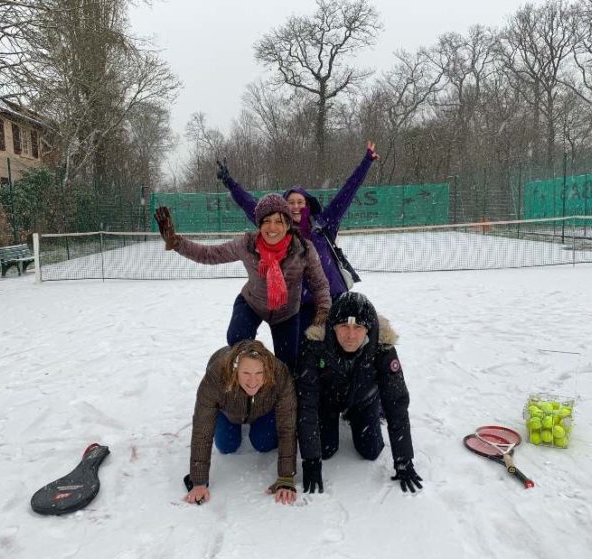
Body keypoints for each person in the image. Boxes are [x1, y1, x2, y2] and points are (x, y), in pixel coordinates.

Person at [154, 193, 330, 371]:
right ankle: (254, 373)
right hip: (252, 303)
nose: (272, 227)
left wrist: (323, 312)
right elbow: (209, 254)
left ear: (287, 224)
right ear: (259, 224)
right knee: (238, 340)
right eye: (266, 221)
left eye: (279, 221)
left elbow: (320, 285)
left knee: (288, 365)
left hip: (286, 312)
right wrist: (176, 242)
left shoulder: (303, 249)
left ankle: (274, 378)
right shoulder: (247, 244)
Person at [217, 141, 379, 333]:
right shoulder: (277, 228)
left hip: (333, 297)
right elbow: (250, 205)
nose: (296, 206)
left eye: (300, 202)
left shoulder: (324, 223)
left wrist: (367, 162)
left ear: (307, 204)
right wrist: (231, 183)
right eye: (291, 202)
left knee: (338, 343)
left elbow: (347, 192)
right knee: (302, 348)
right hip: (300, 305)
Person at [295, 292, 424, 494]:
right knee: (325, 450)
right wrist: (310, 460)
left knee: (371, 451)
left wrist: (403, 459)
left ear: (368, 329)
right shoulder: (315, 346)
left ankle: (369, 413)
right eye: (344, 326)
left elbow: (397, 402)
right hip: (328, 401)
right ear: (332, 326)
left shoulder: (383, 348)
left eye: (358, 327)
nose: (351, 335)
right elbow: (307, 402)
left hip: (364, 400)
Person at [183, 340, 297, 505]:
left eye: (259, 373)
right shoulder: (217, 375)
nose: (253, 381)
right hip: (229, 411)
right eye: (246, 373)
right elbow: (203, 429)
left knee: (264, 443)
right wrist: (199, 482)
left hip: (262, 410)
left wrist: (286, 477)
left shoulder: (279, 374)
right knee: (226, 445)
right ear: (235, 370)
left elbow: (288, 425)